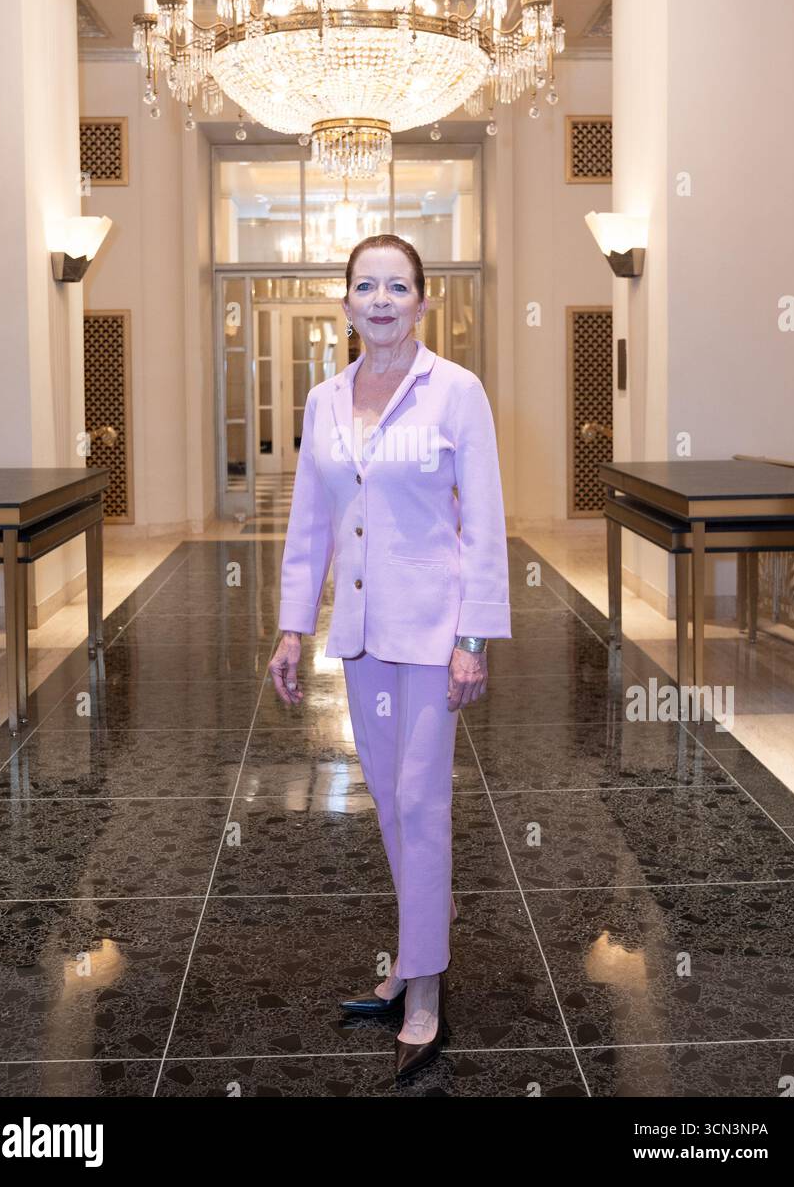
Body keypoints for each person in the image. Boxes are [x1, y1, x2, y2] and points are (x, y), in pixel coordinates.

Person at [268, 233, 511, 1080]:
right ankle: (413, 957)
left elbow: (484, 521)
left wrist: (473, 638)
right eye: (365, 286)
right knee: (390, 806)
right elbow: (309, 525)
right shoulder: (324, 400)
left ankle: (427, 993)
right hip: (363, 636)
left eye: (397, 286)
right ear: (344, 303)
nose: (380, 299)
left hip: (435, 632)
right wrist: (293, 626)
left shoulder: (456, 392)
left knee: (421, 801)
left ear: (422, 301)